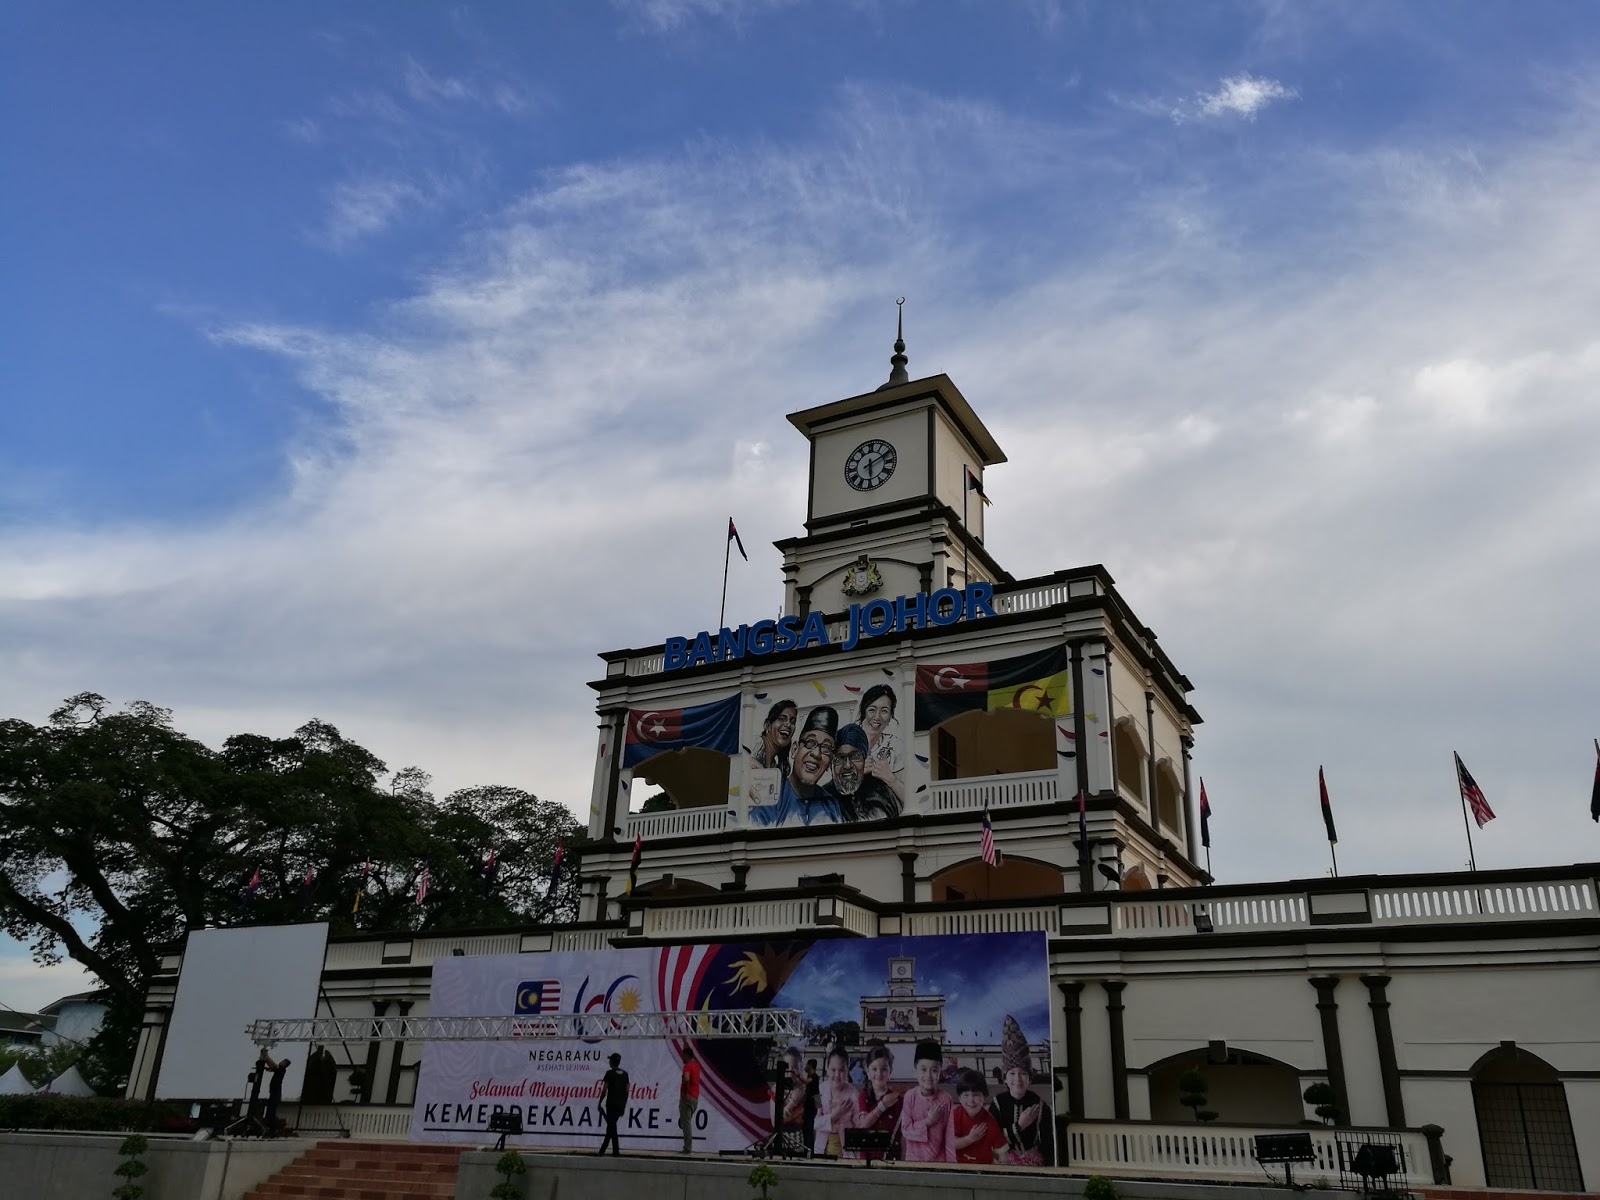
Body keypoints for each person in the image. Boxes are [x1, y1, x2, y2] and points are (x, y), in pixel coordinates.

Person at [748, 707, 842, 827]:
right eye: (810, 742)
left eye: (826, 748)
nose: (817, 754)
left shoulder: (831, 806)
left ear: (830, 763)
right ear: (794, 749)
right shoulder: (770, 797)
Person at [990, 1016, 1053, 1166]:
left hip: (1033, 1164)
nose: (1017, 1079)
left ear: (1029, 1078)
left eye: (1023, 1073)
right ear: (1005, 1078)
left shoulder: (1039, 1104)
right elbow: (992, 1141)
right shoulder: (998, 1103)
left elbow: (1048, 1142)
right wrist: (1019, 1126)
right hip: (1004, 1163)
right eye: (1012, 1073)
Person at [830, 723, 901, 822]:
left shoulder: (883, 792)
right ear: (831, 763)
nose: (847, 765)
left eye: (854, 756)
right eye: (840, 758)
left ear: (866, 759)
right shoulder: (824, 797)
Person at [899, 1040, 954, 1162]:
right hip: (914, 1161)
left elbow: (949, 1138)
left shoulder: (946, 1099)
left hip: (939, 1162)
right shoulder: (910, 1096)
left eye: (934, 1070)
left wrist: (951, 1167)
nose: (928, 1076)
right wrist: (928, 1121)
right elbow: (906, 1131)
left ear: (940, 1073)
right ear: (915, 1072)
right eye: (923, 1069)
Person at [852, 1042, 902, 1163]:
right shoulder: (864, 1096)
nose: (879, 1074)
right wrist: (882, 1105)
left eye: (884, 1069)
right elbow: (863, 1124)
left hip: (890, 1159)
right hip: (866, 1159)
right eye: (874, 1069)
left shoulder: (898, 1100)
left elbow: (902, 1136)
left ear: (890, 1072)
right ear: (867, 1072)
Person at [856, 685, 905, 806]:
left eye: (884, 711)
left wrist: (890, 779)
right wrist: (856, 772)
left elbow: (910, 799)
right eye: (872, 710)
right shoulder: (847, 742)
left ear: (890, 717)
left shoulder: (896, 745)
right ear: (864, 711)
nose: (877, 717)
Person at [952, 1068, 1009, 1165]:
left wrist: (1003, 1171)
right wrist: (969, 1139)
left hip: (983, 1167)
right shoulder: (955, 1115)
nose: (971, 1100)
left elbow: (1003, 1153)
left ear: (985, 1097)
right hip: (958, 1167)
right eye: (966, 1095)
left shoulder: (989, 1122)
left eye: (976, 1095)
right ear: (960, 1098)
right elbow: (950, 1144)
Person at [812, 1044, 858, 1158]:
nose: (837, 1075)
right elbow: (814, 1122)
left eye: (841, 1070)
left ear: (847, 1071)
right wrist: (835, 1115)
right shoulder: (817, 1092)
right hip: (821, 1149)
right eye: (833, 1070)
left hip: (847, 1152)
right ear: (827, 1070)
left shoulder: (854, 1094)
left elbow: (858, 1126)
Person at [749, 700, 798, 775]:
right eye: (781, 719)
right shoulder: (757, 743)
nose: (788, 724)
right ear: (767, 725)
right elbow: (744, 763)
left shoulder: (773, 764)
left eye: (792, 721)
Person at [597, 1052, 629, 1156]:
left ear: (612, 1062)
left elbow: (604, 1090)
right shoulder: (625, 1074)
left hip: (611, 1104)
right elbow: (627, 1091)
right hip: (620, 1105)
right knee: (611, 1127)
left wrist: (600, 1102)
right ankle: (603, 1151)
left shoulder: (609, 1073)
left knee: (611, 1127)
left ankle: (613, 1151)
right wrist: (624, 1105)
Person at [257, 1049, 290, 1135]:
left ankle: (271, 1122)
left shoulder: (282, 1069)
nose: (281, 1062)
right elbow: (272, 1066)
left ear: (285, 1065)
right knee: (270, 1107)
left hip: (276, 1092)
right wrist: (265, 1059)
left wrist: (266, 1056)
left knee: (271, 1107)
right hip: (274, 1091)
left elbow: (274, 1065)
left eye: (283, 1062)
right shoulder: (279, 1069)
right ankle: (269, 1121)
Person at [679, 1046, 701, 1154]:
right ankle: (687, 1146)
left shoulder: (687, 1066)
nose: (682, 1058)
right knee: (686, 1122)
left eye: (683, 1055)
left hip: (687, 1098)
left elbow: (687, 1079)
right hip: (695, 1098)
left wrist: (685, 1093)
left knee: (686, 1123)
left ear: (687, 1055)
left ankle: (687, 1148)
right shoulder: (696, 1066)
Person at [802, 1058, 820, 1155]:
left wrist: (797, 1076)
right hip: (809, 1106)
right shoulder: (811, 1076)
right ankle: (806, 1149)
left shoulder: (814, 1077)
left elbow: (806, 1081)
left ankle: (810, 1150)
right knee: (806, 1129)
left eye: (807, 1065)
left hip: (811, 1107)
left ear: (810, 1066)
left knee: (809, 1128)